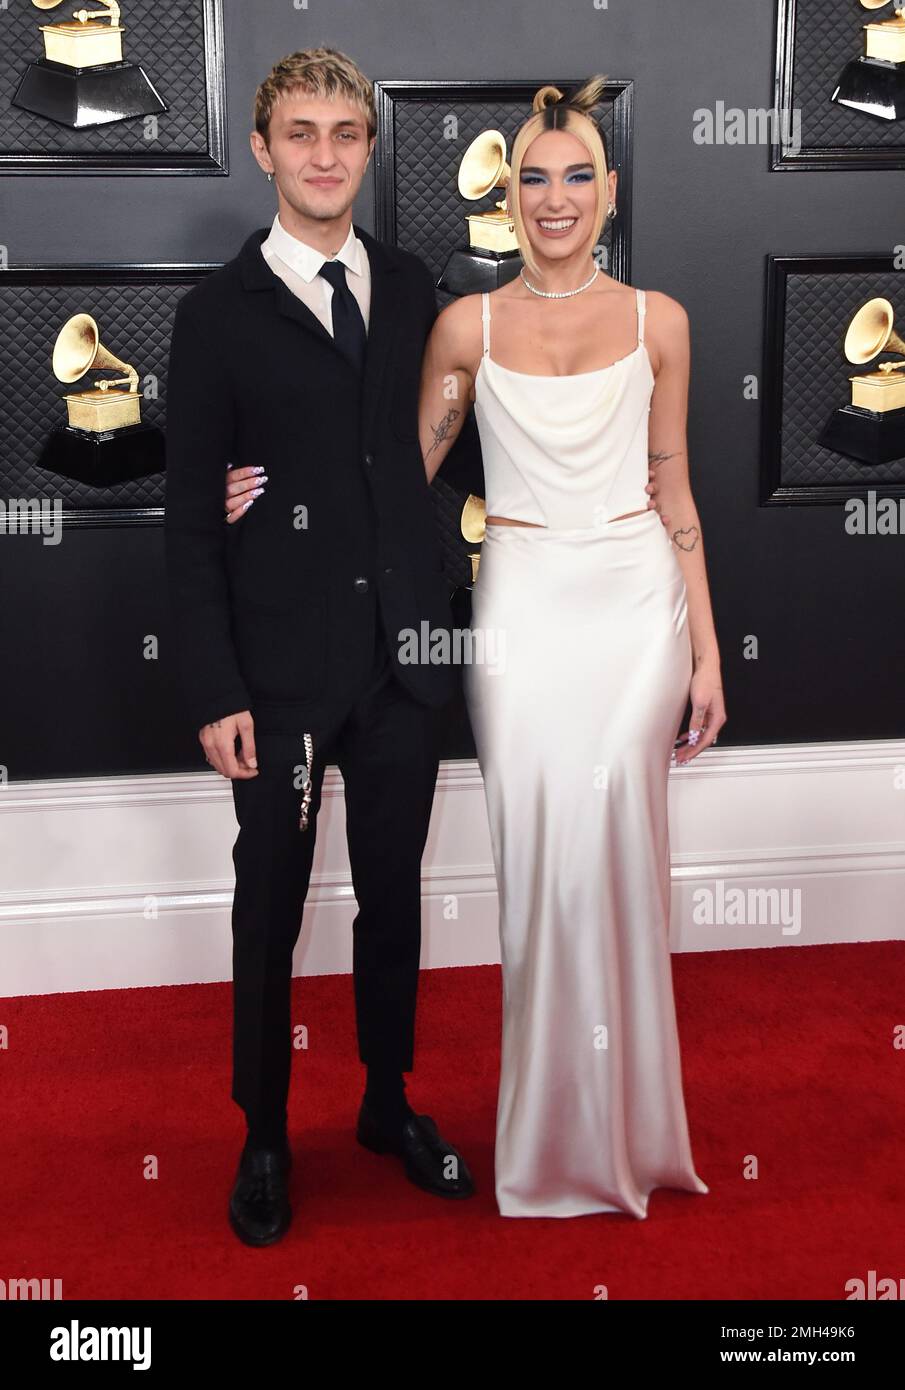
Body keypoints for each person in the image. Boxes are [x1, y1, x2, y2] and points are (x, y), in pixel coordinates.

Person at [223, 73, 723, 1220]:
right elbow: (383, 472)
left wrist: (703, 647)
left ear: (609, 190)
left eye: (575, 176)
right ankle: (550, 1135)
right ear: (506, 196)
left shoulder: (662, 323)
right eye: (531, 178)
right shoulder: (465, 323)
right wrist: (243, 484)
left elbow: (674, 487)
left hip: (636, 608)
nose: (554, 199)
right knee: (542, 870)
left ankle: (633, 1129)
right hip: (524, 613)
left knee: (624, 863)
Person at [164, 47, 477, 1249]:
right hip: (278, 675)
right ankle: (261, 1134)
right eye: (302, 133)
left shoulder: (411, 289)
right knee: (269, 910)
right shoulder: (213, 315)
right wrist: (214, 686)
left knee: (393, 900)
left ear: (367, 146)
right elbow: (193, 517)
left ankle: (387, 1103)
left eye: (346, 132)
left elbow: (434, 450)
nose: (326, 154)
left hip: (403, 661)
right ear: (263, 147)